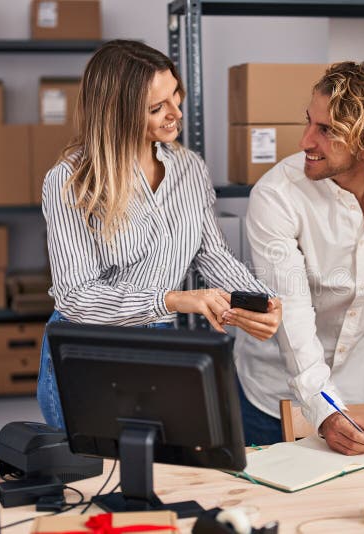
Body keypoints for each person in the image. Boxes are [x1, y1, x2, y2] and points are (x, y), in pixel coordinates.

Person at [37, 40, 281, 430]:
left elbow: (212, 255)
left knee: (160, 475)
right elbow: (75, 297)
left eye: (175, 96)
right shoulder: (70, 180)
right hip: (88, 356)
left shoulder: (189, 169)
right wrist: (172, 299)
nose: (176, 113)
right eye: (157, 108)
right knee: (91, 483)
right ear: (117, 114)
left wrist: (259, 302)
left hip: (159, 348)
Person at [225, 61, 364, 454]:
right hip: (271, 392)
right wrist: (325, 409)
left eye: (327, 130)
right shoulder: (276, 195)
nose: (304, 142)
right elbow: (291, 316)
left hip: (356, 390)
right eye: (309, 121)